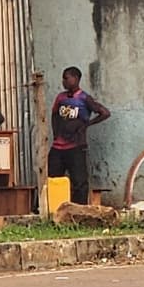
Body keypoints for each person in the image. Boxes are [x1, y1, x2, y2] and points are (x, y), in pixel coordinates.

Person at [47, 66, 111, 209]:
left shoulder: (84, 98)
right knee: (53, 179)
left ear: (75, 79)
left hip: (76, 147)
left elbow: (105, 113)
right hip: (58, 147)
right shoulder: (61, 97)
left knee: (79, 182)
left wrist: (87, 124)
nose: (63, 81)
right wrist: (56, 133)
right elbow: (54, 115)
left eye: (66, 78)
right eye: (63, 78)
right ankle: (54, 209)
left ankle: (79, 210)